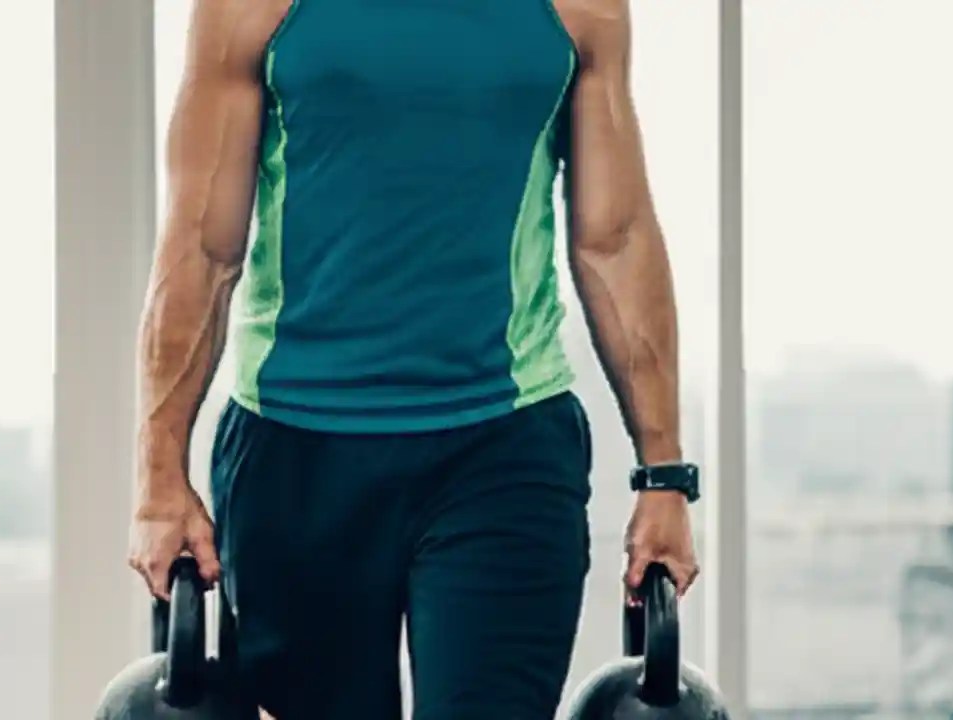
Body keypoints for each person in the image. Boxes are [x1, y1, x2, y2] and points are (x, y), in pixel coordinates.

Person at [128, 0, 699, 717]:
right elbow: (202, 249)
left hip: (504, 450)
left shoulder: (579, 9)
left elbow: (615, 238)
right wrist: (159, 478)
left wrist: (664, 474)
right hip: (296, 453)